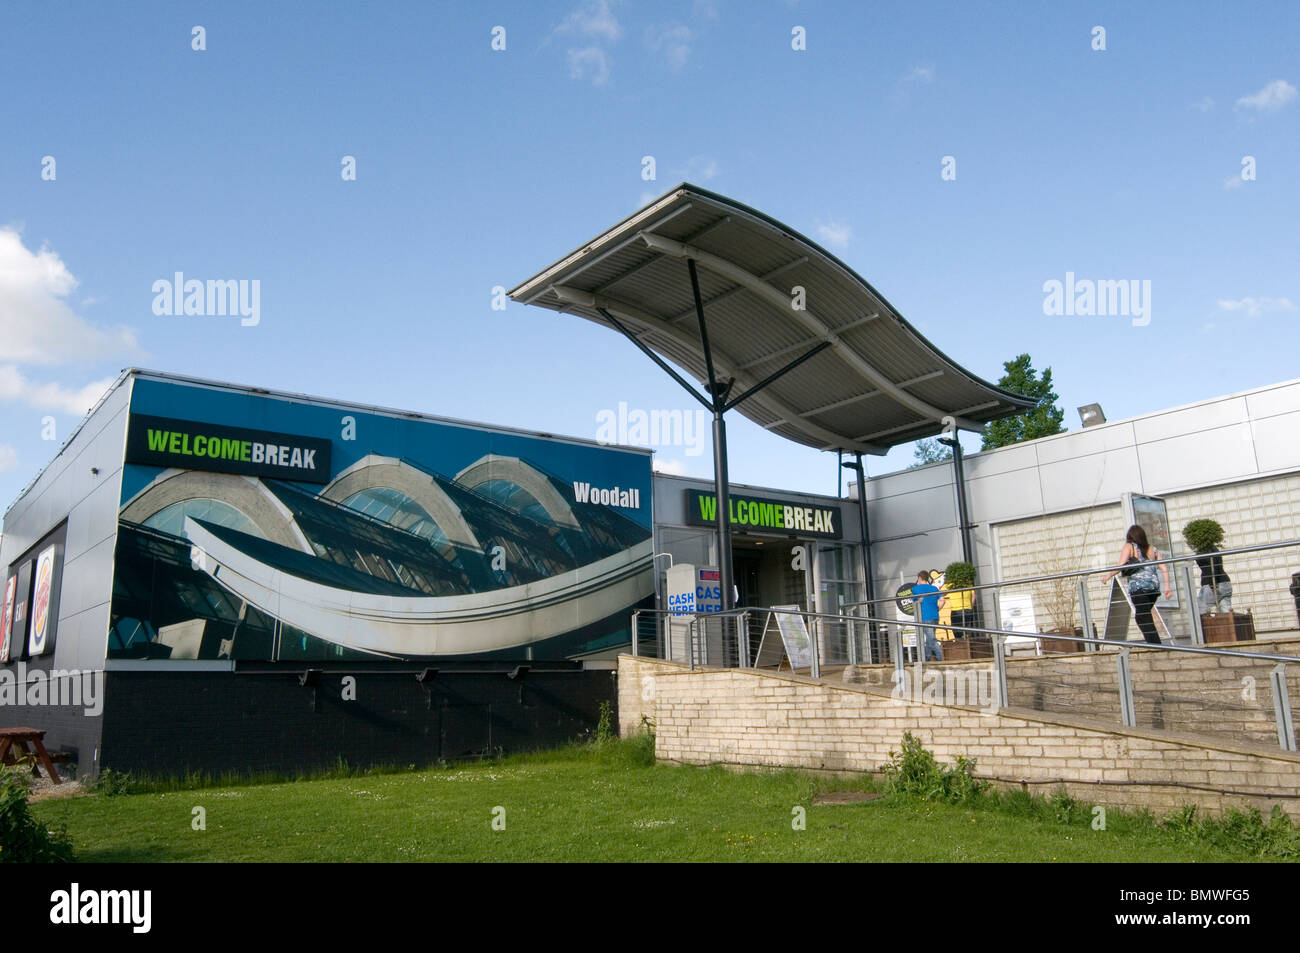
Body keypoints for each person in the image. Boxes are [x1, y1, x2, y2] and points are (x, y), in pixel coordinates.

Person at [1103, 525, 1172, 644]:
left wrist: (1108, 576)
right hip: (1153, 590)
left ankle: (1156, 646)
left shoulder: (1129, 546)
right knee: (1143, 616)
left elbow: (1121, 565)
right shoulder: (1154, 550)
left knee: (1143, 618)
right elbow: (1164, 568)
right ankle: (1155, 644)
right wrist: (1167, 587)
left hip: (1138, 588)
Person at [911, 570, 943, 661]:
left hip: (925, 617)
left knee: (931, 639)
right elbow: (942, 600)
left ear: (920, 578)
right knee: (929, 640)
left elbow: (914, 602)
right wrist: (938, 609)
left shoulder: (915, 589)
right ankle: (927, 659)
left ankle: (941, 658)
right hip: (935, 616)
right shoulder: (934, 588)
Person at [1195, 544, 1233, 615]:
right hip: (1224, 582)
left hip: (1211, 583)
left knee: (1201, 612)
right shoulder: (1213, 548)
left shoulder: (1205, 549)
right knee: (1226, 612)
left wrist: (1212, 585)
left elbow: (1213, 568)